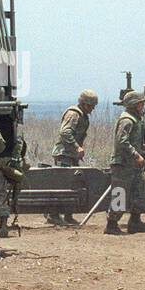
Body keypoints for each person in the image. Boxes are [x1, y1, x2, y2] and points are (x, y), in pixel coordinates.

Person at [46, 89, 98, 226]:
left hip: (71, 156)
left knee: (74, 185)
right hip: (64, 154)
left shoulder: (82, 115)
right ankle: (53, 214)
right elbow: (65, 132)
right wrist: (76, 147)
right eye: (91, 106)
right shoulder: (74, 114)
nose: (92, 109)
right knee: (61, 186)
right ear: (84, 104)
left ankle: (68, 215)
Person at [106, 91, 145, 235]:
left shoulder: (135, 119)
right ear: (134, 105)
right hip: (123, 164)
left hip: (133, 165)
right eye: (140, 103)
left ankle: (135, 222)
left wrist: (141, 149)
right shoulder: (127, 120)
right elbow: (121, 142)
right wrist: (136, 154)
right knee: (119, 195)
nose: (142, 106)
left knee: (142, 193)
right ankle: (112, 225)